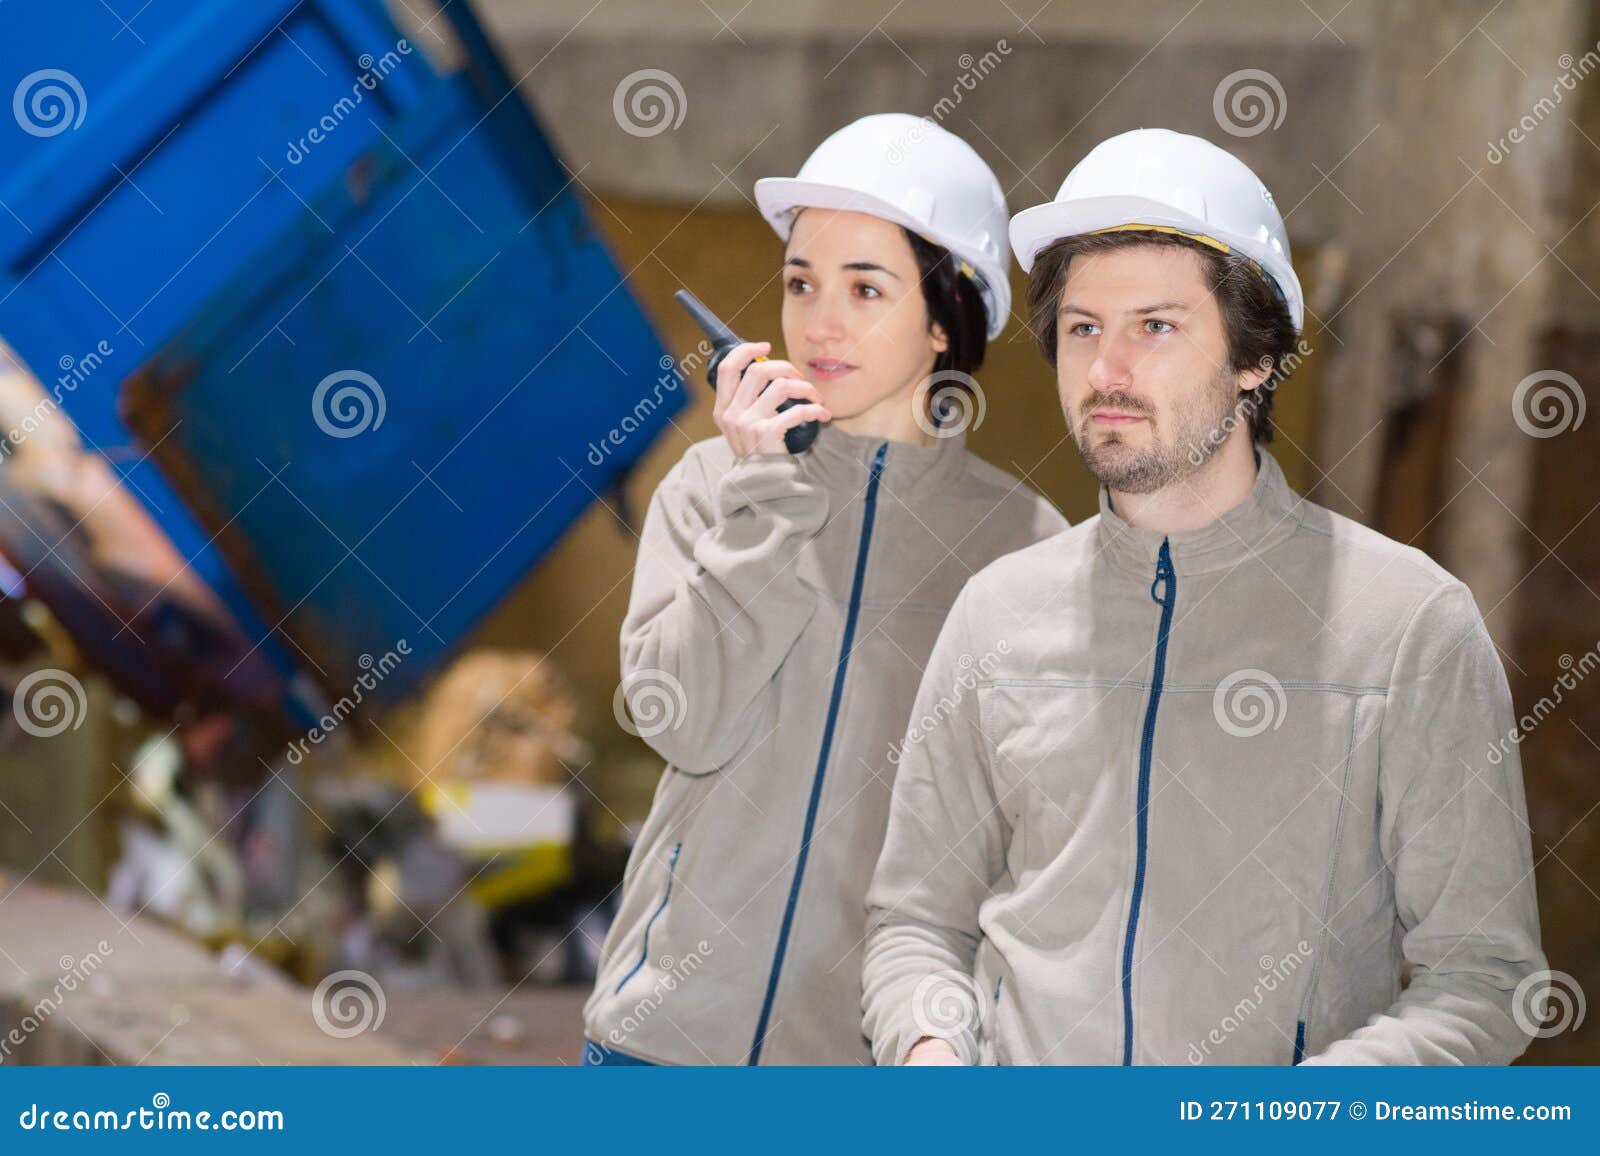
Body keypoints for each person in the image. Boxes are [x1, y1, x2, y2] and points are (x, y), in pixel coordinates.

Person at [862, 128, 1546, 1066]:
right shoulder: (997, 614)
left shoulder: (1406, 626)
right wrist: (932, 1047)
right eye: (1082, 329)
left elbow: (1485, 981)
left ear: (1255, 357)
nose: (1106, 372)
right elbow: (916, 922)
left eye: (1156, 327)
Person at [582, 113, 1068, 1065]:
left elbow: (1027, 846)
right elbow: (682, 722)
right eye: (801, 282)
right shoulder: (712, 488)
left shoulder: (1024, 551)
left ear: (942, 320)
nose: (819, 321)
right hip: (659, 1051)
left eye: (865, 288)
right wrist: (764, 502)